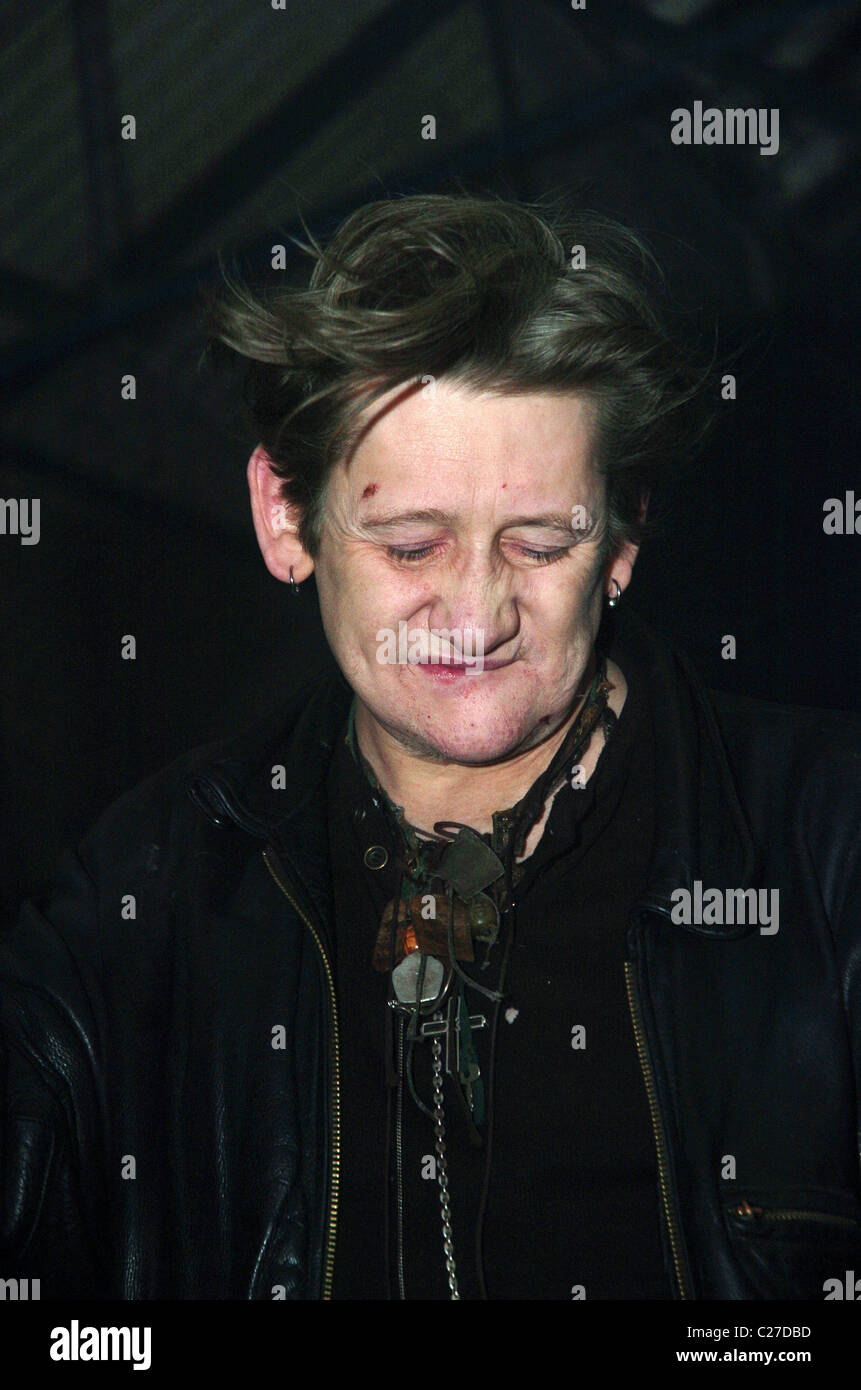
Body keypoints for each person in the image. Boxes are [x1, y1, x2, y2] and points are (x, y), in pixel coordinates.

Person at [2, 194, 859, 1301]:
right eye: (412, 542)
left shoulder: (832, 840)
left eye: (542, 542)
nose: (477, 609)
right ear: (285, 517)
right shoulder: (138, 900)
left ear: (625, 533)